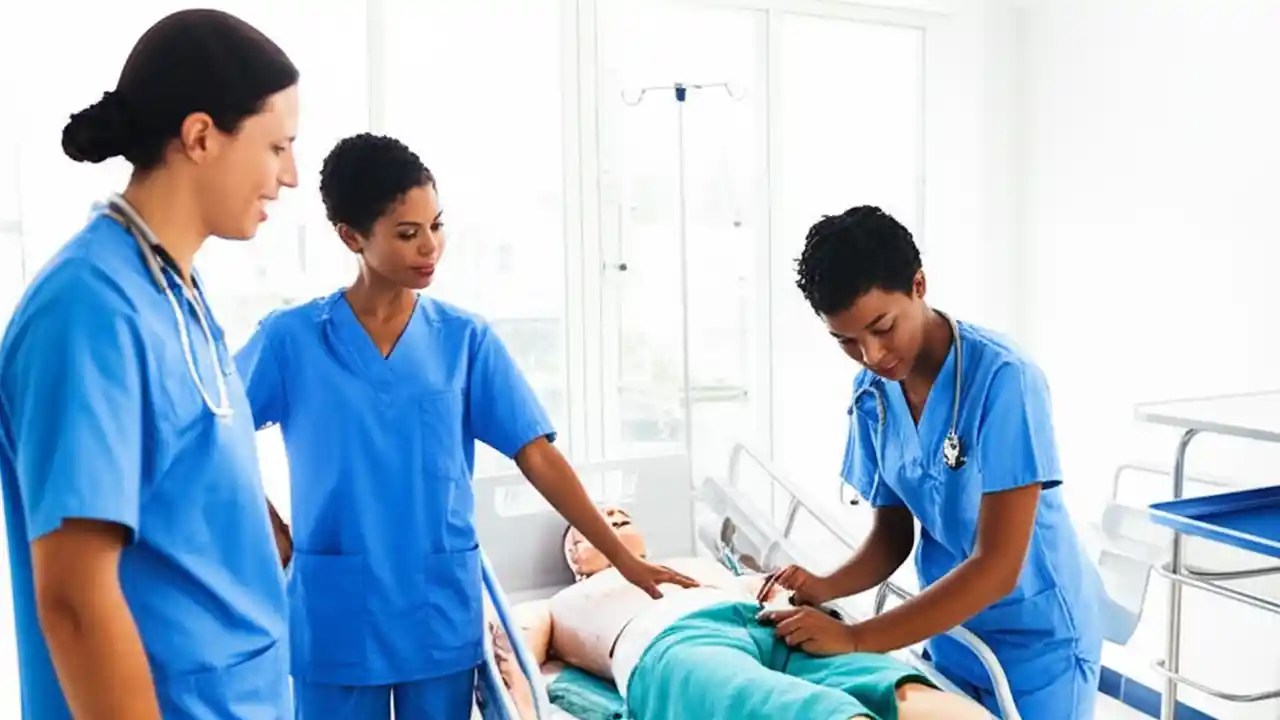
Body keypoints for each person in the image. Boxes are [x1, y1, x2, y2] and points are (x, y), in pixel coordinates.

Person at [233, 133, 695, 720]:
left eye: (436, 225)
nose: (430, 247)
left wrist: (621, 556)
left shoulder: (464, 340)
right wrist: (273, 536)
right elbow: (211, 436)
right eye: (407, 233)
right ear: (352, 237)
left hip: (437, 603)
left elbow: (537, 455)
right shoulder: (291, 340)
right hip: (337, 609)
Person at [0, 10, 300, 719]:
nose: (289, 176)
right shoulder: (87, 312)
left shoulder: (173, 290)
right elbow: (75, 600)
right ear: (201, 137)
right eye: (277, 147)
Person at [759, 206, 1103, 719]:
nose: (871, 355)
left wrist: (856, 638)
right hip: (950, 632)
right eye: (847, 341)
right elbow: (893, 535)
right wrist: (823, 586)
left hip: (1039, 642)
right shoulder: (873, 394)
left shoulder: (1004, 380)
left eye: (882, 327)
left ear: (918, 285)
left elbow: (998, 567)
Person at [488, 506, 993, 720]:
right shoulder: (565, 600)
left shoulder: (697, 562)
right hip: (673, 644)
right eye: (591, 526)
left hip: (770, 624)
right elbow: (515, 650)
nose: (614, 521)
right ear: (575, 558)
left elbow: (773, 588)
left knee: (891, 683)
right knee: (779, 704)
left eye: (622, 515)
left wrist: (805, 596)